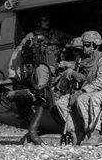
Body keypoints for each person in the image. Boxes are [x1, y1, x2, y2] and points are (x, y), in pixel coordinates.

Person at [9, 13, 70, 145]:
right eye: (45, 20)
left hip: (57, 69)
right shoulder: (31, 37)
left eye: (49, 19)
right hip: (41, 71)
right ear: (38, 22)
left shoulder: (56, 34)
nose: (48, 22)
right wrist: (15, 76)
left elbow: (71, 40)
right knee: (42, 92)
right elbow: (18, 53)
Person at [74, 30, 102, 145]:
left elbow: (101, 81)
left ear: (94, 45)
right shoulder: (85, 60)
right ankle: (89, 132)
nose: (84, 49)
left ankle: (96, 133)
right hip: (91, 90)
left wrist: (83, 90)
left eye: (86, 46)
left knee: (90, 98)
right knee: (81, 100)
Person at [51, 36, 85, 145]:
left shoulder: (89, 60)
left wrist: (67, 67)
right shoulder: (74, 62)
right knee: (60, 103)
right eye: (73, 50)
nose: (76, 53)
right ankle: (74, 132)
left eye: (78, 50)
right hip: (73, 91)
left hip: (87, 90)